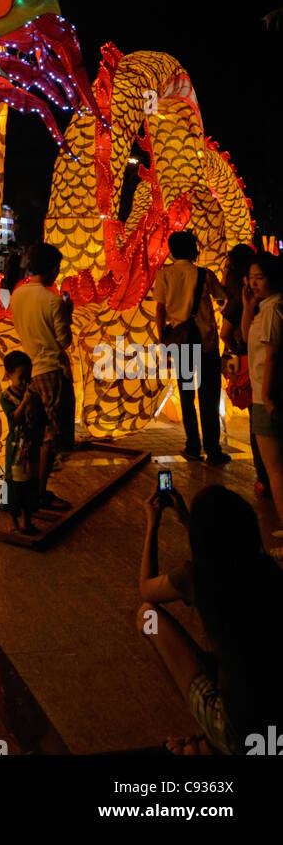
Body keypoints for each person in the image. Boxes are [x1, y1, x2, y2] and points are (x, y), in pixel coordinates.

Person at [138, 484, 283, 754]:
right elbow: (224, 546)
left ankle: (208, 741)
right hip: (274, 733)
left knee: (147, 615)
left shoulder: (196, 576)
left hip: (239, 732)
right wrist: (186, 520)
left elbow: (146, 589)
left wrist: (152, 523)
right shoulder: (267, 569)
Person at [153, 229, 229, 465]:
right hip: (207, 343)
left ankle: (193, 446)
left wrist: (162, 341)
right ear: (192, 249)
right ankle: (213, 449)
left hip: (181, 344)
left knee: (187, 396)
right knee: (209, 395)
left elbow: (160, 310)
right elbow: (222, 298)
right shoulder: (204, 275)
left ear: (172, 251)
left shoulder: (164, 275)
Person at [9, 241, 73, 509]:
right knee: (51, 437)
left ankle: (29, 491)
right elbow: (64, 341)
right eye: (57, 267)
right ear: (51, 268)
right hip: (52, 372)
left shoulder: (18, 296)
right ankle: (40, 493)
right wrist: (67, 313)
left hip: (33, 368)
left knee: (34, 435)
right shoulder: (53, 301)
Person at [241, 251, 283, 557]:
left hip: (266, 395)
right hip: (262, 393)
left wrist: (266, 396)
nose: (254, 283)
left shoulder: (274, 310)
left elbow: (271, 355)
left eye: (260, 277)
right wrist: (247, 306)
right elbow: (246, 340)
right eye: (251, 278)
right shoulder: (264, 308)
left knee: (275, 470)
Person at [219, 244, 266, 493]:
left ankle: (264, 476)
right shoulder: (261, 300)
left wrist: (233, 347)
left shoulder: (238, 299)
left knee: (257, 423)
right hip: (261, 362)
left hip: (249, 364)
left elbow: (226, 332)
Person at [0, 351, 42, 535]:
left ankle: (27, 521)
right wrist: (25, 403)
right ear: (8, 375)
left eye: (28, 377)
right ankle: (12, 521)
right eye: (21, 377)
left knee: (30, 481)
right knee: (14, 482)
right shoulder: (7, 397)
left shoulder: (32, 393)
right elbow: (14, 419)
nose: (25, 381)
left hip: (31, 446)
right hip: (16, 448)